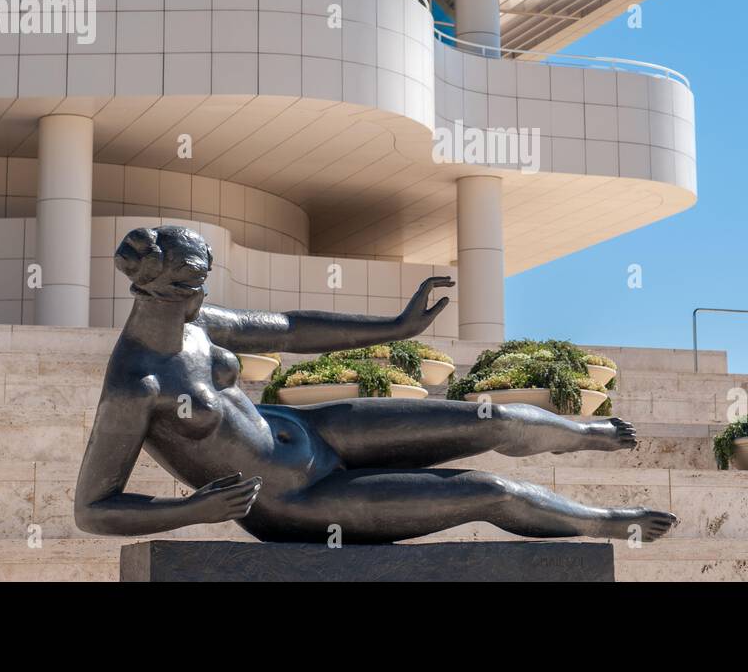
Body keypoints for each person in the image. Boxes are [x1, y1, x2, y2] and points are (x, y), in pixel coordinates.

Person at [75, 225, 677, 544]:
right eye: (192, 281)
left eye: (205, 281)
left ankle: (581, 431)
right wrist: (196, 511)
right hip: (290, 501)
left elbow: (290, 329)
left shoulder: (199, 323)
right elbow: (93, 510)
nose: (203, 292)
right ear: (153, 283)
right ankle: (605, 522)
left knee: (492, 418)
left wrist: (396, 327)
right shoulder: (136, 385)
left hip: (315, 430)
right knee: (492, 491)